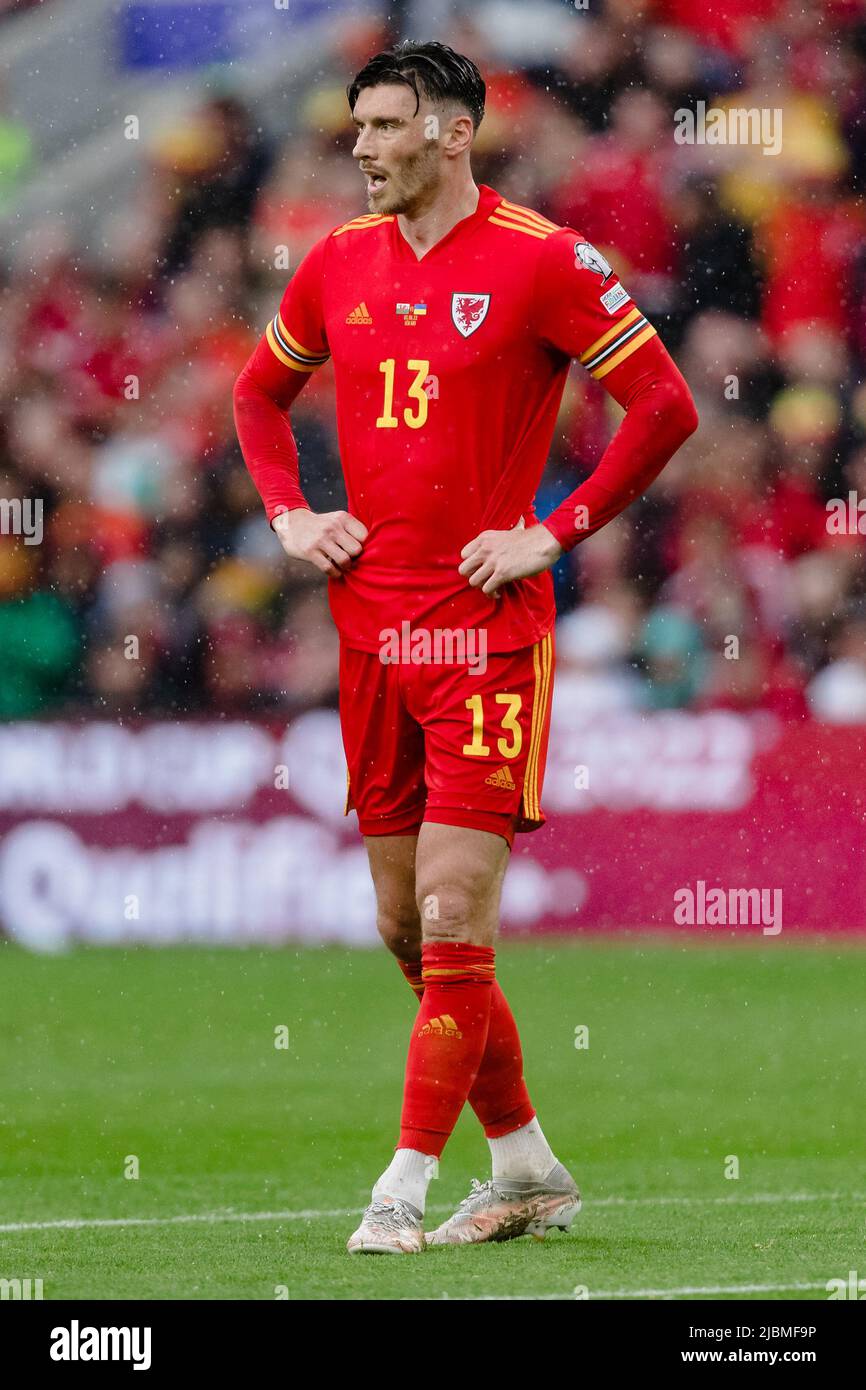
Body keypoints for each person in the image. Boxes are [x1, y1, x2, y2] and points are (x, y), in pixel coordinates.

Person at [234, 40, 698, 1254]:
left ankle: (400, 1188)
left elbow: (663, 406)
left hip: (486, 634)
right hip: (367, 632)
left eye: (387, 126)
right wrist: (291, 513)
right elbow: (254, 396)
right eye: (358, 127)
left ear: (449, 132)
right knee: (401, 922)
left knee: (450, 912)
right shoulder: (335, 265)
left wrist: (555, 532)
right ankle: (526, 1164)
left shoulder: (543, 261)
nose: (363, 149)